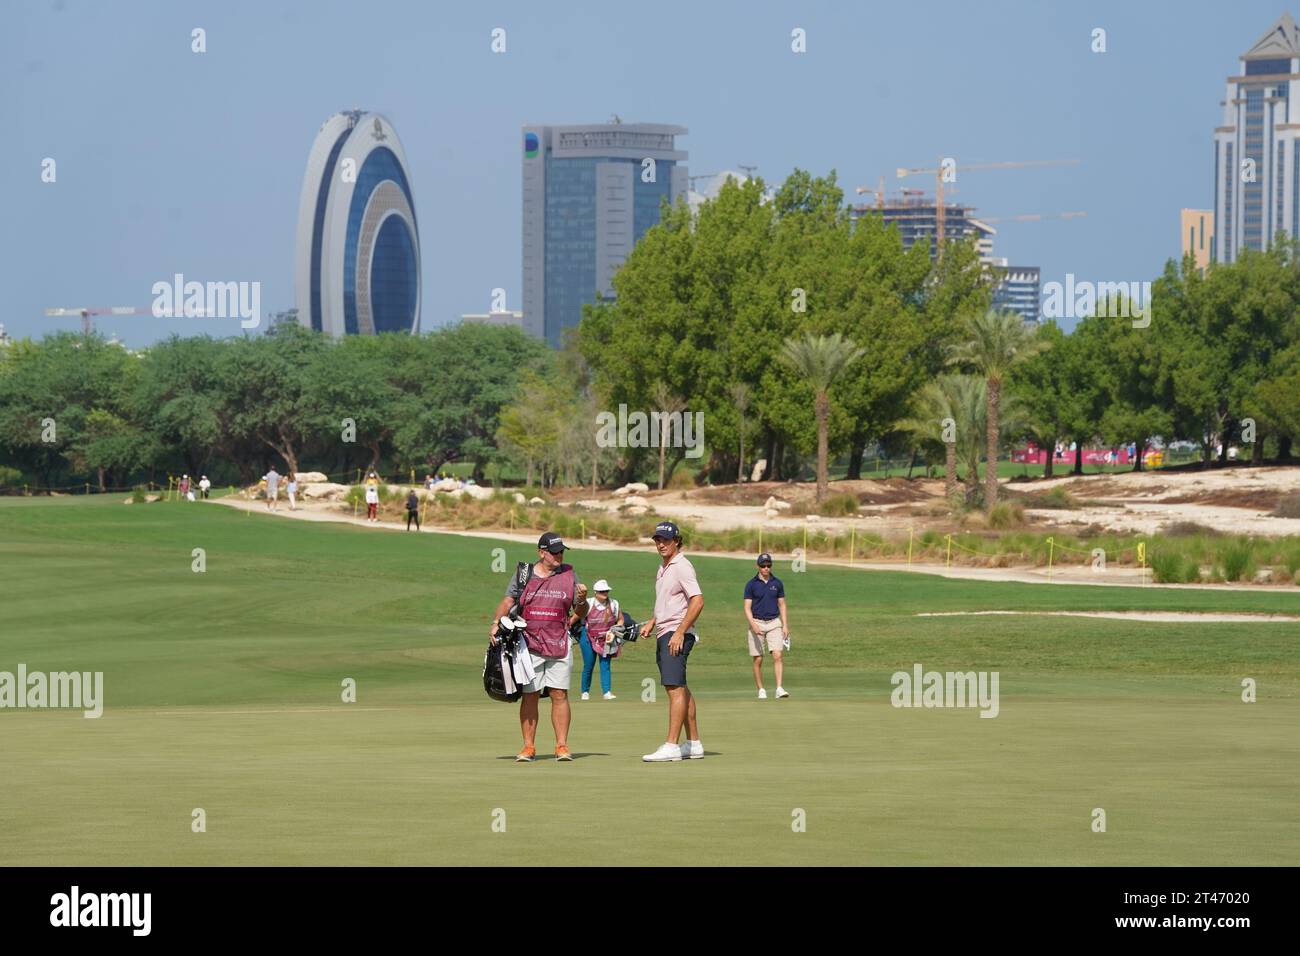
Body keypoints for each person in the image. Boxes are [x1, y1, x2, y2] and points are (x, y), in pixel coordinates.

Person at [488, 532, 589, 761]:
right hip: (528, 643)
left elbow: (580, 612)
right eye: (554, 552)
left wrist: (582, 600)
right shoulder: (524, 573)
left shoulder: (569, 574)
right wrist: (496, 623)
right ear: (541, 553)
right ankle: (528, 747)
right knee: (530, 694)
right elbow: (508, 600)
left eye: (561, 551)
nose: (559, 555)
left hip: (559, 642)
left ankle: (561, 746)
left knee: (559, 693)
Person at [638, 521, 704, 762]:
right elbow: (668, 602)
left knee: (674, 688)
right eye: (657, 540)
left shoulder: (681, 566)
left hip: (676, 634)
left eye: (666, 539)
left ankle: (672, 746)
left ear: (677, 541)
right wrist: (652, 621)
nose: (661, 544)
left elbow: (697, 600)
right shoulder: (664, 567)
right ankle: (694, 744)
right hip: (665, 630)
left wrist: (679, 632)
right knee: (681, 687)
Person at [744, 552, 790, 699]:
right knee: (758, 658)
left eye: (768, 565)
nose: (766, 568)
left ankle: (779, 688)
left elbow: (782, 605)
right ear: (758, 566)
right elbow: (746, 607)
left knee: (778, 655)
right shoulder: (751, 584)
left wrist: (785, 625)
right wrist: (753, 625)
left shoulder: (777, 583)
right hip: (756, 622)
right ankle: (761, 689)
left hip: (774, 623)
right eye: (763, 566)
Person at [579, 579, 621, 701]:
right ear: (596, 592)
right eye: (602, 591)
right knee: (588, 665)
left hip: (607, 639)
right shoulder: (589, 603)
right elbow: (578, 616)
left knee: (605, 665)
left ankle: (607, 692)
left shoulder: (614, 604)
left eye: (606, 591)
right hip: (588, 637)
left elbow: (620, 619)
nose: (605, 593)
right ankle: (585, 692)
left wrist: (615, 629)